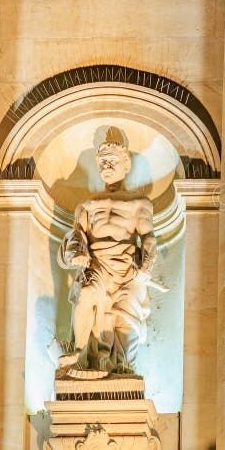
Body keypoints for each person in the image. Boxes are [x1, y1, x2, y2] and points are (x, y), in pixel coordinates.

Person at [57, 139, 167, 373]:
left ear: (126, 165)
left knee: (125, 326)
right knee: (86, 294)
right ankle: (79, 352)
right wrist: (77, 252)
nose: (106, 166)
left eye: (112, 161)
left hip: (126, 271)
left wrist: (145, 269)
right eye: (102, 162)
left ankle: (121, 367)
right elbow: (77, 235)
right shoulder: (87, 204)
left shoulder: (138, 203)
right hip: (97, 267)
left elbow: (148, 238)